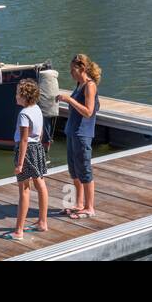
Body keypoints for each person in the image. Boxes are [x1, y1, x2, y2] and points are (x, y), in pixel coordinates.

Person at [56, 54, 101, 219]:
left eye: (73, 69)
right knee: (74, 170)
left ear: (82, 68)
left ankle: (90, 207)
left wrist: (69, 99)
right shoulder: (79, 84)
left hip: (83, 133)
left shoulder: (90, 86)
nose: (70, 72)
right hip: (72, 131)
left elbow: (88, 112)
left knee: (85, 170)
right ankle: (79, 203)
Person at [10, 78, 49, 239]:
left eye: (18, 93)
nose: (16, 96)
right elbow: (39, 134)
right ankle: (42, 222)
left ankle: (18, 231)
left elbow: (24, 139)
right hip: (37, 148)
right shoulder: (37, 109)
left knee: (24, 190)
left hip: (25, 151)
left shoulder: (24, 114)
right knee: (40, 185)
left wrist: (20, 163)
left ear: (25, 96)